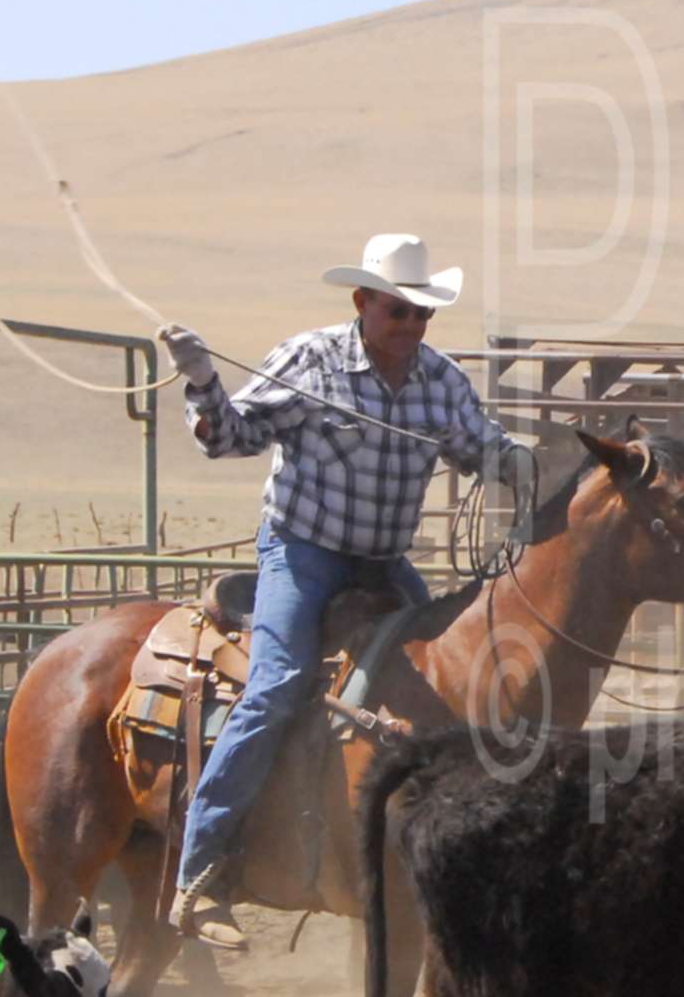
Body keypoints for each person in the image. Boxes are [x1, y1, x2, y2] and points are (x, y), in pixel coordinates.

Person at [154, 232, 527, 949]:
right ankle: (200, 872)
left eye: (422, 313)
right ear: (362, 301)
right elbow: (229, 437)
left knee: (449, 682)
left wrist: (525, 462)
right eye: (398, 310)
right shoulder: (311, 361)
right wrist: (202, 383)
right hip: (305, 550)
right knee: (277, 683)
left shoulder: (441, 380)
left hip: (383, 560)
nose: (412, 325)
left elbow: (482, 449)